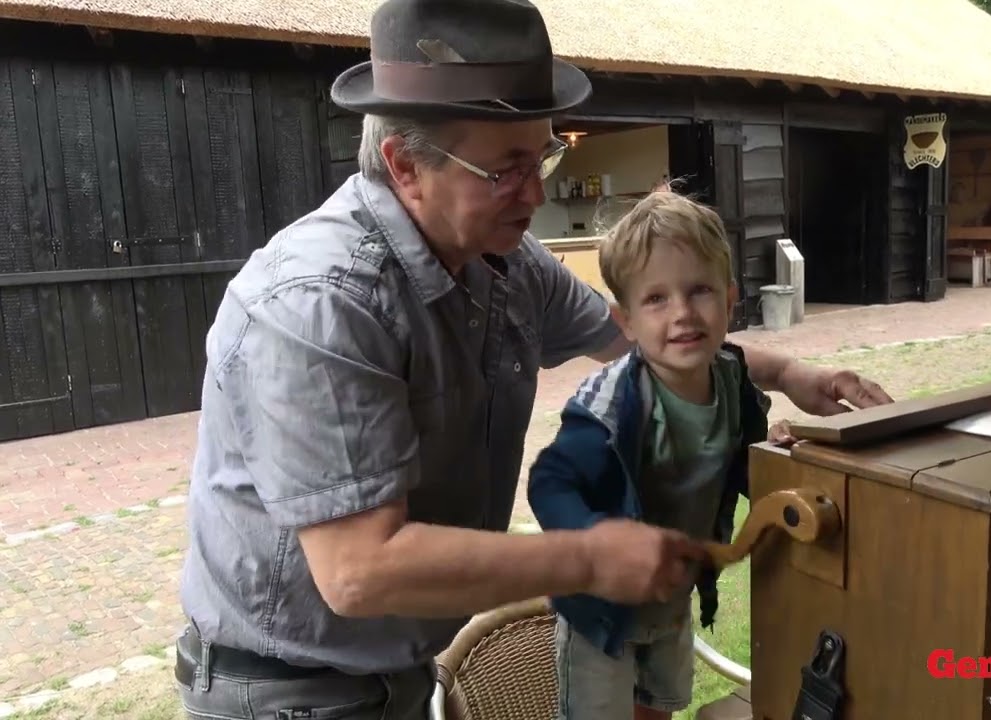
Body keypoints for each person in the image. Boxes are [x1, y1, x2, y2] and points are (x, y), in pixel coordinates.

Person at [173, 0, 892, 717]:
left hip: (397, 674)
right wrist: (589, 556)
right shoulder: (321, 303)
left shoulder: (507, 263)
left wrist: (790, 375)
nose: (537, 192)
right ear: (405, 165)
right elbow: (359, 570)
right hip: (284, 694)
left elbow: (641, 337)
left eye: (544, 155)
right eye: (506, 169)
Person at [527, 190, 784, 719]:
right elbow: (550, 482)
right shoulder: (613, 407)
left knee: (658, 710)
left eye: (700, 291)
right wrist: (598, 542)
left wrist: (777, 460)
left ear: (731, 298)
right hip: (600, 612)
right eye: (657, 299)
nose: (684, 314)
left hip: (671, 600)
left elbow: (740, 461)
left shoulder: (732, 380)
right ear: (625, 321)